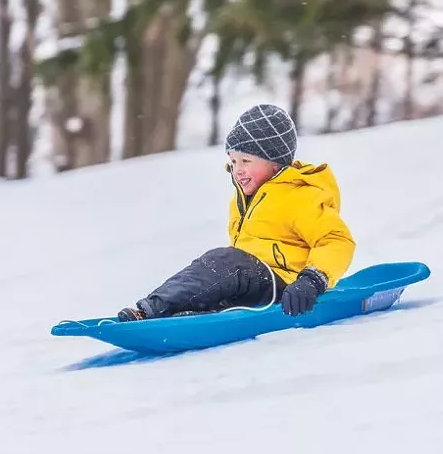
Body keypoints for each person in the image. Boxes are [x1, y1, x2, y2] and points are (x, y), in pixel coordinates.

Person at [117, 103, 356, 322]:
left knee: (225, 261)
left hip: (288, 288)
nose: (237, 170)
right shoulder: (244, 200)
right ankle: (185, 314)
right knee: (219, 274)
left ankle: (150, 310)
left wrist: (312, 280)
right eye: (233, 162)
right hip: (252, 284)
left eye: (246, 161)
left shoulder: (299, 196)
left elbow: (337, 240)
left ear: (275, 162)